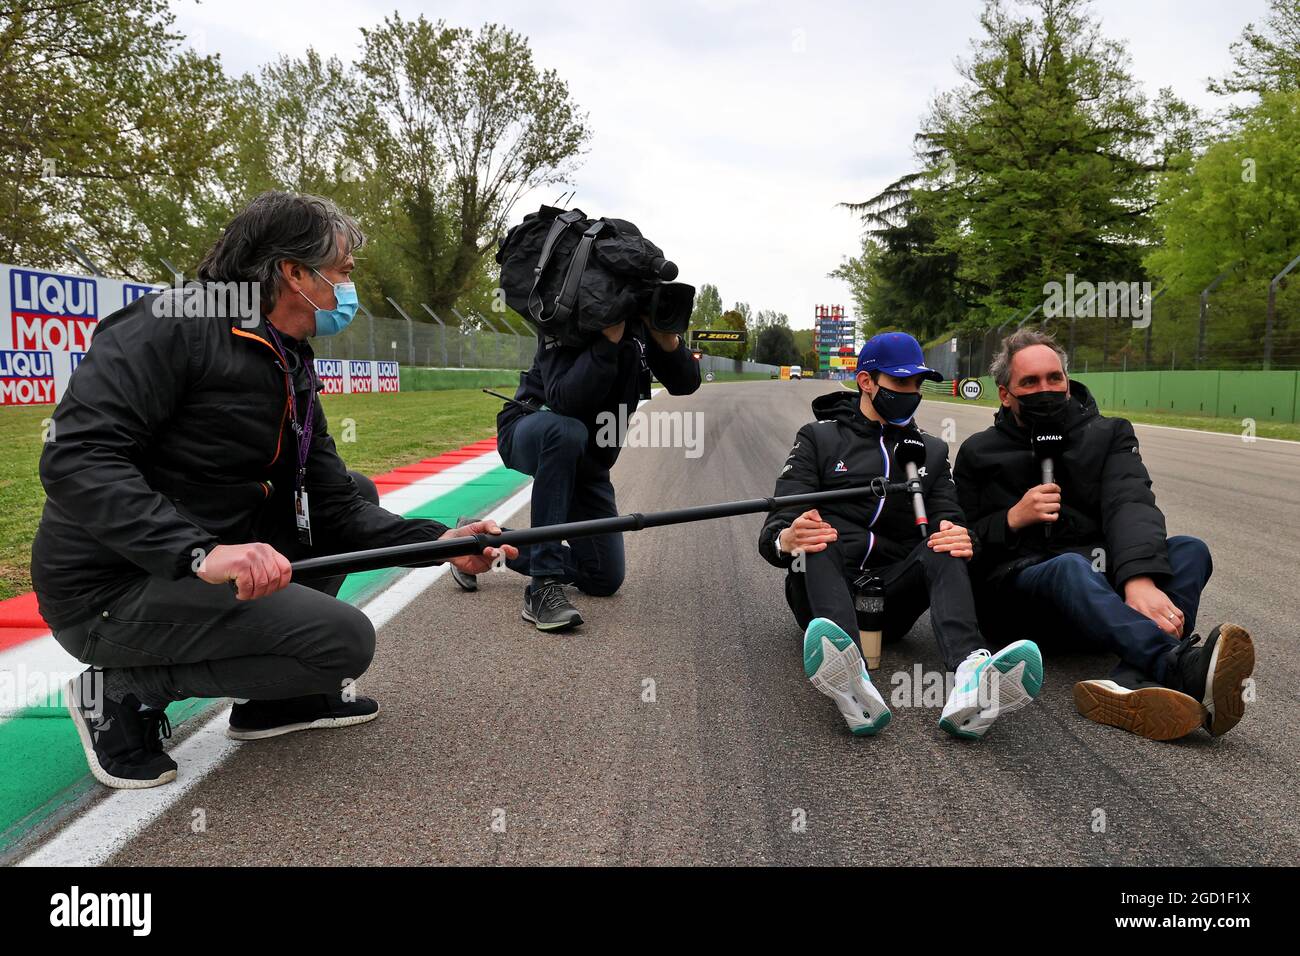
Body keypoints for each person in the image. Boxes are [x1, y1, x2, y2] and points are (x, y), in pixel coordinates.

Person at [31, 191, 514, 789]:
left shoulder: (289, 356)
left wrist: (440, 542)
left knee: (352, 491)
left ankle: (279, 702)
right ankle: (121, 691)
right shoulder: (168, 324)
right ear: (293, 273)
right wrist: (198, 553)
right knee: (342, 642)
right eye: (341, 273)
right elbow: (78, 457)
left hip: (196, 557)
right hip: (107, 587)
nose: (346, 289)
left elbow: (333, 501)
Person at [953, 328, 1255, 741]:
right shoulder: (977, 451)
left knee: (1189, 550)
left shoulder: (1109, 434)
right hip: (1023, 604)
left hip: (1102, 601)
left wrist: (1138, 578)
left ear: (1066, 379)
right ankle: (1175, 666)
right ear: (1005, 393)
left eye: (1054, 378)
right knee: (1068, 567)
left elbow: (1129, 503)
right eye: (1030, 382)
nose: (1046, 389)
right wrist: (1011, 519)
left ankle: (1129, 683)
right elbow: (963, 539)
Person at [758, 332, 1043, 739]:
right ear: (866, 381)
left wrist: (964, 539)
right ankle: (849, 677)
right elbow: (773, 533)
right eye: (900, 383)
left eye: (916, 384)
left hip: (894, 602)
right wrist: (787, 537)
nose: (911, 393)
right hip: (820, 596)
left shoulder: (931, 451)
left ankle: (972, 675)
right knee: (818, 535)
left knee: (942, 542)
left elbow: (954, 522)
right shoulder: (817, 438)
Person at [453, 315, 700, 631]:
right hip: (533, 426)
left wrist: (666, 338)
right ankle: (543, 585)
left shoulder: (641, 322)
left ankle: (475, 540)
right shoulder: (569, 306)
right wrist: (607, 342)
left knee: (604, 576)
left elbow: (687, 381)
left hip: (588, 460)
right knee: (567, 431)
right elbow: (565, 399)